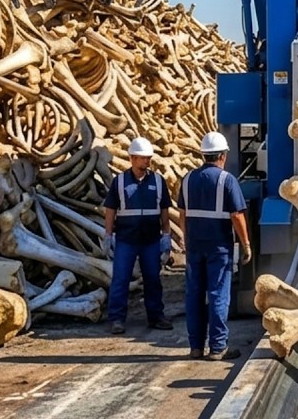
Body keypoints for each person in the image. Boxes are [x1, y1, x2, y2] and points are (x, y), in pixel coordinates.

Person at [178, 131, 251, 360]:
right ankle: (218, 347)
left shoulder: (188, 179)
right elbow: (237, 215)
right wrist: (246, 243)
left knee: (195, 295)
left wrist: (185, 239)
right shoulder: (226, 180)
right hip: (218, 247)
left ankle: (196, 347)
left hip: (194, 245)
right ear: (222, 155)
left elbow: (182, 213)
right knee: (219, 294)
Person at [102, 137, 173, 334]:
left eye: (148, 158)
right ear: (132, 158)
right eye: (143, 158)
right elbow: (110, 209)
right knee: (121, 279)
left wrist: (166, 236)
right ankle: (116, 319)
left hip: (151, 239)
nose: (147, 162)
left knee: (153, 278)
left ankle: (156, 316)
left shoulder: (158, 181)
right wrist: (108, 235)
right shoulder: (120, 181)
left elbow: (164, 211)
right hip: (126, 239)